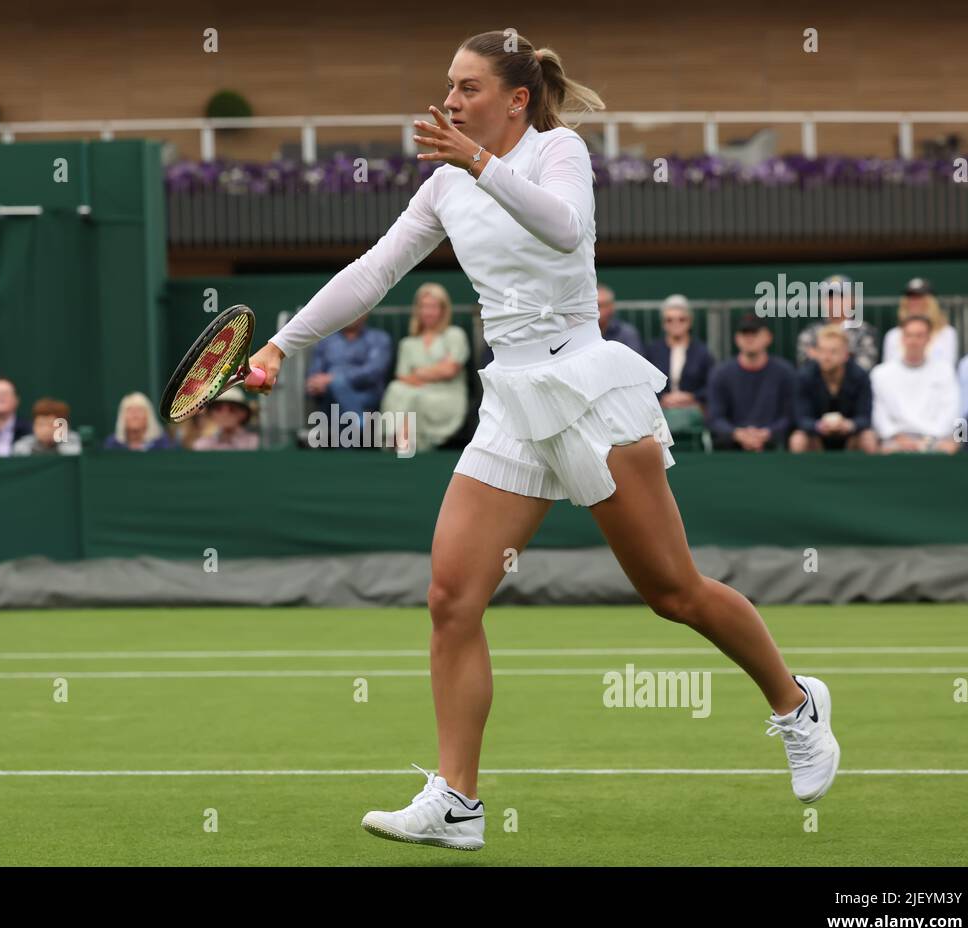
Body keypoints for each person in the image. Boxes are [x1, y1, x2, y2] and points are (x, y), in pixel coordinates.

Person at [242, 30, 838, 851]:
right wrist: (282, 344)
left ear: (515, 99)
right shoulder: (445, 183)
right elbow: (374, 272)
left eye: (468, 87)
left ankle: (796, 703)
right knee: (451, 600)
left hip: (588, 390)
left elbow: (564, 231)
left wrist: (481, 165)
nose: (449, 100)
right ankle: (457, 799)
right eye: (447, 86)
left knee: (673, 594)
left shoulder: (560, 151)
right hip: (512, 402)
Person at [379, 283, 471, 452]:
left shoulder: (454, 335)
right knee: (396, 388)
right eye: (424, 307)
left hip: (447, 396)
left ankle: (402, 447)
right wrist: (438, 369)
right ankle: (399, 443)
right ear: (418, 310)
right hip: (415, 391)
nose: (428, 312)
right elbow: (403, 377)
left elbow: (450, 370)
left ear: (443, 310)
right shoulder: (407, 343)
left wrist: (420, 372)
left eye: (433, 307)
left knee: (412, 397)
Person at [870, 315, 960, 454]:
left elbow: (951, 411)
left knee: (957, 440)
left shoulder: (945, 371)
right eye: (909, 335)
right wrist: (898, 437)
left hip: (935, 439)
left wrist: (929, 439)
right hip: (895, 440)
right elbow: (879, 413)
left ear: (929, 339)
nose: (913, 341)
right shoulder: (880, 373)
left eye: (919, 336)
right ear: (902, 338)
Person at [706, 314, 797, 451]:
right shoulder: (720, 374)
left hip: (775, 446)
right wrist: (737, 434)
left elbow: (790, 415)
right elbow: (715, 417)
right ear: (737, 338)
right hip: (730, 448)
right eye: (744, 333)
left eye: (755, 333)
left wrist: (768, 433)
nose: (749, 338)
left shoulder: (785, 372)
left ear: (768, 337)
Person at [789, 326, 877, 453]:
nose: (826, 356)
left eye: (833, 351)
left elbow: (865, 417)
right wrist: (818, 426)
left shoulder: (860, 376)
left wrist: (848, 425)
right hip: (816, 436)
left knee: (868, 438)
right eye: (822, 351)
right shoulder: (804, 376)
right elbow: (801, 418)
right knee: (798, 439)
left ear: (846, 355)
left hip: (850, 436)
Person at [304, 314, 392, 419]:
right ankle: (361, 425)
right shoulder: (326, 341)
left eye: (356, 309)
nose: (351, 314)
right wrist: (316, 383)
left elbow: (373, 372)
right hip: (328, 397)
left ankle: (358, 425)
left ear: (365, 313)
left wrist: (333, 379)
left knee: (337, 389)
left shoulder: (379, 338)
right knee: (336, 391)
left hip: (366, 394)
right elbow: (314, 373)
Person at [793, 275, 879, 372]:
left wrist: (820, 357)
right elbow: (804, 366)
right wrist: (847, 357)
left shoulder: (865, 331)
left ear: (853, 300)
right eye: (830, 296)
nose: (834, 301)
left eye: (841, 296)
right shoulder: (810, 332)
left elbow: (864, 367)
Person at [644, 294, 713, 412]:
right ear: (663, 323)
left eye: (682, 319)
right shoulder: (653, 351)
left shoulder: (702, 352)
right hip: (659, 412)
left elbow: (711, 385)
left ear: (690, 321)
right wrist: (663, 398)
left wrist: (691, 397)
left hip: (693, 413)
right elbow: (644, 382)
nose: (676, 324)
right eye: (669, 320)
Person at [881, 278, 957, 368]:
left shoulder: (947, 333)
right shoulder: (893, 335)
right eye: (910, 297)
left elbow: (947, 367)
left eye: (919, 297)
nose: (914, 302)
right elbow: (888, 368)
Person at [192, 386, 259, 451]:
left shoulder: (255, 444)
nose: (225, 413)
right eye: (218, 408)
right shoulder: (202, 445)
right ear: (211, 414)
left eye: (232, 408)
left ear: (243, 413)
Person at [103, 392, 177, 450]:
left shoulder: (163, 444)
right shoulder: (113, 445)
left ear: (148, 416)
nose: (135, 414)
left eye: (139, 410)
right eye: (129, 410)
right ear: (122, 417)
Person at [11, 398, 82, 456]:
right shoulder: (21, 448)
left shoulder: (78, 445)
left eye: (50, 425)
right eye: (40, 424)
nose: (45, 430)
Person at [597, 284, 644, 355]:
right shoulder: (580, 332)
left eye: (602, 305)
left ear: (611, 307)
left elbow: (633, 362)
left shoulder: (627, 334)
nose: (597, 310)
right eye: (594, 305)